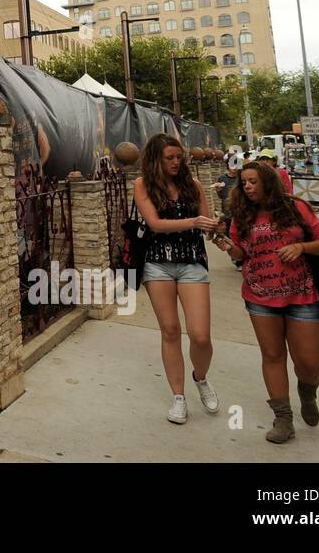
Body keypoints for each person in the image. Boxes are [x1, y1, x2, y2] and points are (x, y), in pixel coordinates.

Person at [217, 162, 319, 444]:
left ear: (268, 182)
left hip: (302, 295)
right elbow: (241, 253)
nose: (247, 187)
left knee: (308, 362)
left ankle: (308, 392)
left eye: (253, 181)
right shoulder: (242, 215)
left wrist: (301, 247)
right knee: (272, 356)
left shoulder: (295, 208)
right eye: (244, 182)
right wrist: (225, 244)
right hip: (260, 295)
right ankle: (283, 418)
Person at [132, 133, 222, 424]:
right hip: (158, 265)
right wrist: (194, 222)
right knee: (170, 331)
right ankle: (179, 397)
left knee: (200, 335)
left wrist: (219, 233)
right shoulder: (143, 184)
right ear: (155, 160)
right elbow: (155, 224)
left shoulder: (192, 185)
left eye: (177, 157)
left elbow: (207, 225)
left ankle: (201, 377)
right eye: (168, 158)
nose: (175, 162)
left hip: (192, 263)